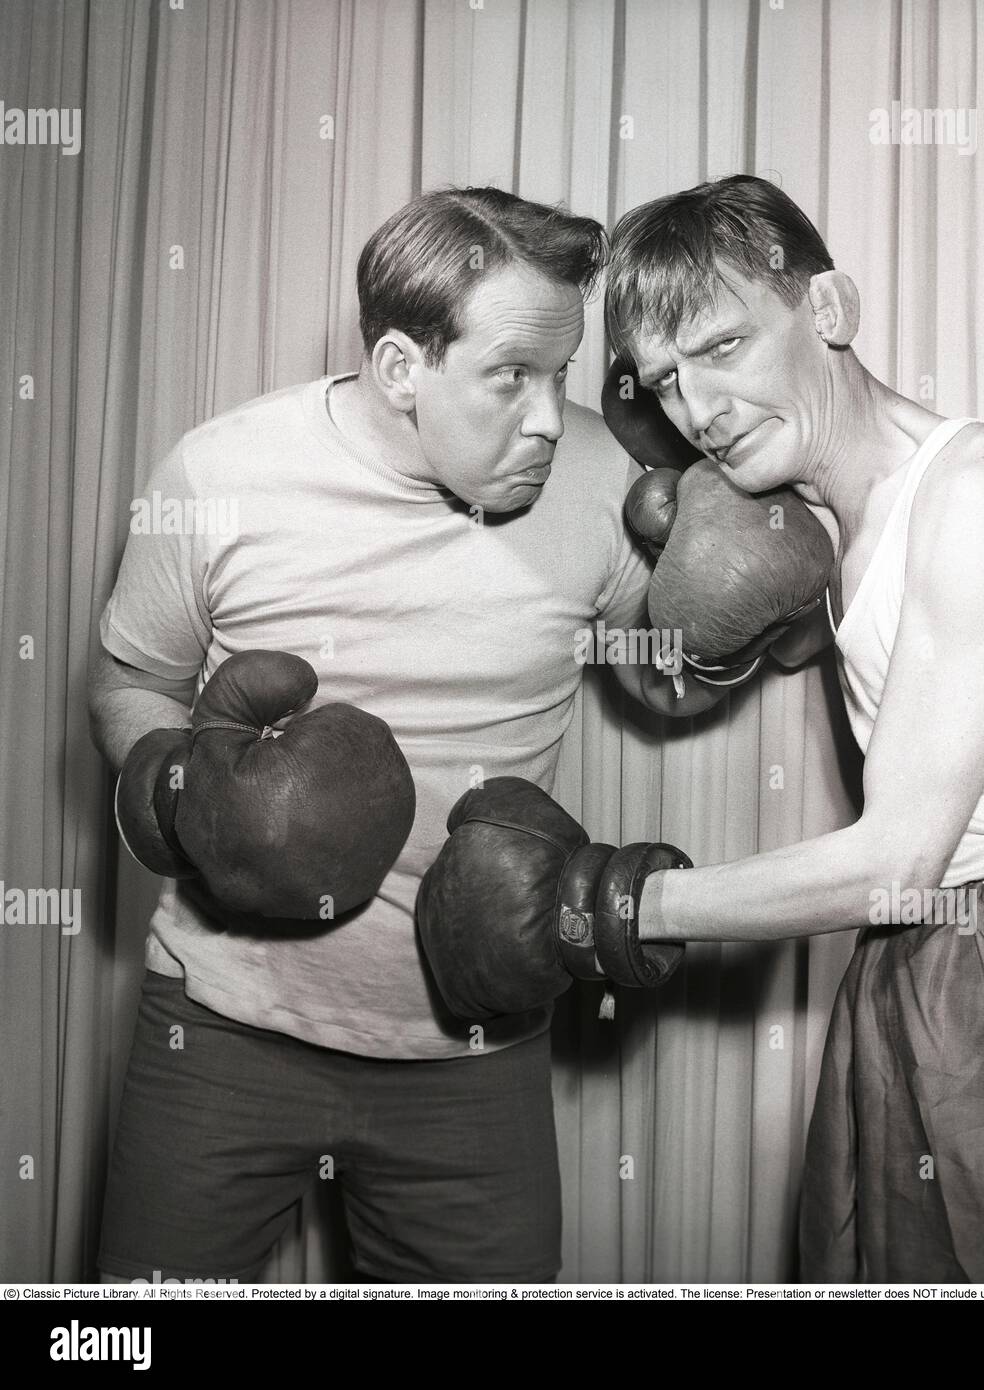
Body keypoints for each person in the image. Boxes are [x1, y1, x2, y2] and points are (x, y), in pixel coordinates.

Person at [88, 186, 721, 1285]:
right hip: (223, 1031)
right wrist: (186, 792)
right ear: (398, 367)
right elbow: (129, 678)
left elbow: (667, 684)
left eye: (561, 374)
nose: (545, 417)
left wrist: (739, 611)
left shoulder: (597, 481)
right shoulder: (220, 474)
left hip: (474, 1051)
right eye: (509, 375)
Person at [602, 174, 984, 1282]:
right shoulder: (819, 536)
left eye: (724, 347)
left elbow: (895, 856)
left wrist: (633, 902)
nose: (699, 409)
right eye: (669, 381)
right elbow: (661, 687)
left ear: (827, 311)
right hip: (898, 966)